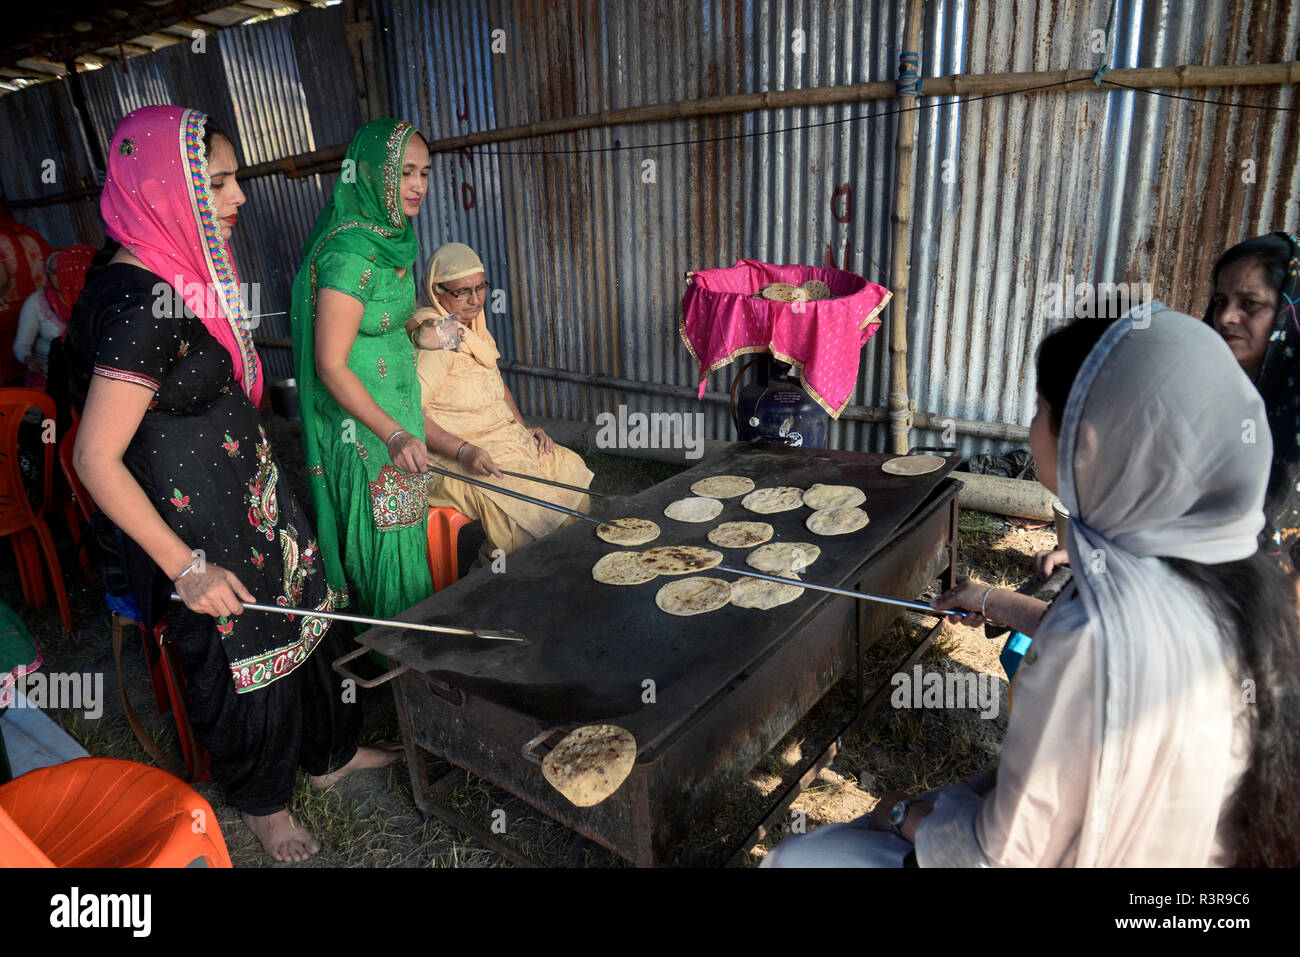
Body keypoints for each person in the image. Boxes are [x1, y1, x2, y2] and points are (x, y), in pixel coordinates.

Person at [764, 308, 1300, 867]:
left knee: (803, 856)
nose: (1028, 431)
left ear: (1085, 444)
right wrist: (991, 600)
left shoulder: (1094, 637)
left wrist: (901, 814)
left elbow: (998, 860)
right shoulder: (1234, 576)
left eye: (1040, 410)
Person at [67, 106, 396, 863]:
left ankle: (331, 752)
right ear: (161, 190)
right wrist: (185, 567)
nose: (238, 196)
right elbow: (94, 458)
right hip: (199, 532)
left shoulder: (177, 273)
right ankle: (263, 803)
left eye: (234, 178)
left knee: (309, 622)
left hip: (251, 502)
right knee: (238, 656)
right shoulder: (136, 306)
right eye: (215, 183)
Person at [290, 118, 434, 618]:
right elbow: (331, 364)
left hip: (399, 419)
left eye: (425, 173)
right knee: (383, 551)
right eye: (406, 172)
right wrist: (392, 434)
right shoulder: (349, 256)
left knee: (405, 542)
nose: (417, 185)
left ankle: (413, 662)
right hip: (367, 432)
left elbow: (386, 321)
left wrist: (423, 330)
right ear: (372, 176)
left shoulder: (395, 239)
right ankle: (394, 664)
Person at [412, 242, 592, 564]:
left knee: (569, 473)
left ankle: (561, 570)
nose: (476, 299)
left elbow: (498, 388)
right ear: (435, 292)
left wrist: (524, 430)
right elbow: (412, 414)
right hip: (452, 456)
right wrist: (464, 450)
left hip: (500, 439)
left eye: (481, 287)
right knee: (522, 509)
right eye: (462, 291)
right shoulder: (437, 341)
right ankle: (487, 594)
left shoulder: (474, 331)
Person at [1204, 231, 1300, 586]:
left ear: (1291, 311)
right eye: (1220, 301)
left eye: (1249, 304)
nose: (1226, 317)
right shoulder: (1209, 394)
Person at [12, 245, 94, 389]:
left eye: (64, 272)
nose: (60, 277)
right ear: (47, 273)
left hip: (89, 373)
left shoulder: (89, 297)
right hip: (50, 372)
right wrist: (30, 360)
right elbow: (21, 344)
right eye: (55, 272)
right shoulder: (37, 302)